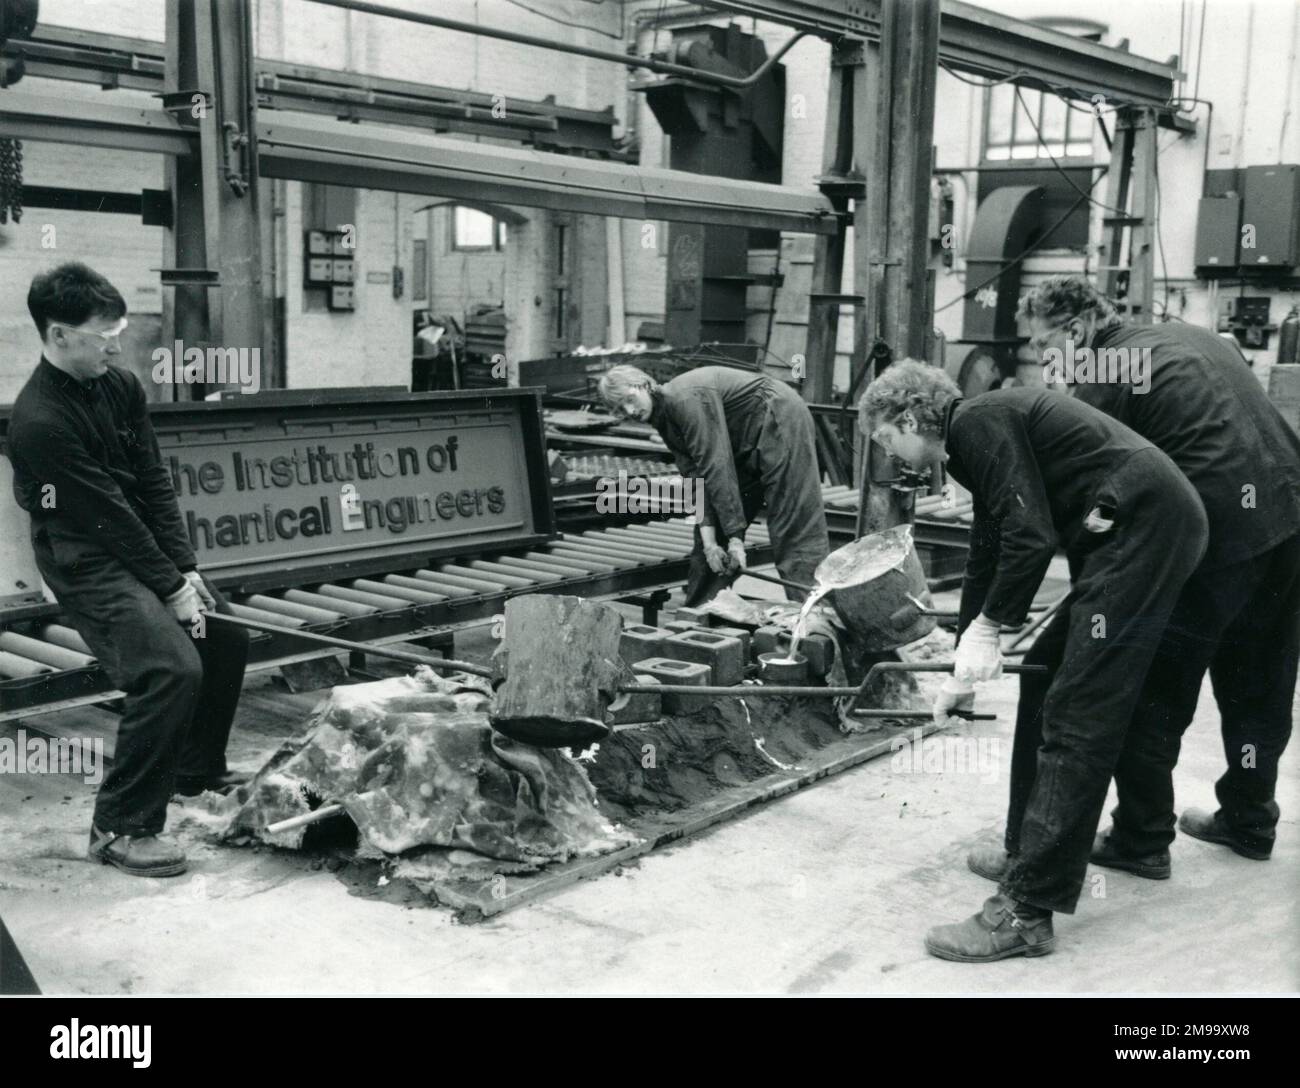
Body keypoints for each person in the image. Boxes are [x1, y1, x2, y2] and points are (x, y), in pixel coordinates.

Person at [858, 360, 1207, 961]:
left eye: (888, 439)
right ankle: (1039, 850)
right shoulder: (975, 440)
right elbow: (988, 550)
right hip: (1139, 528)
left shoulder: (976, 421)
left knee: (1078, 712)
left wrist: (992, 627)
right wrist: (964, 661)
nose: (891, 455)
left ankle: (1025, 912)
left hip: (1145, 531)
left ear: (910, 417)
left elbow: (1030, 535)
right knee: (1045, 677)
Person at [974, 276, 1299, 879]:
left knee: (1140, 683)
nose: (1048, 368)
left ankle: (1141, 838)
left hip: (1216, 540)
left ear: (1075, 331)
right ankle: (1250, 820)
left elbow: (1098, 507)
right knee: (1259, 680)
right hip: (1287, 521)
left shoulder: (1102, 375)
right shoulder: (1189, 335)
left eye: (1045, 347)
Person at [7, 263, 249, 878]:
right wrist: (167, 587)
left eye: (119, 330)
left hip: (130, 537)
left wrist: (186, 571)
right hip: (83, 557)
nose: (117, 344)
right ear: (59, 335)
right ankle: (120, 827)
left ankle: (194, 772)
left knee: (222, 638)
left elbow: (152, 483)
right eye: (102, 334)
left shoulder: (120, 386)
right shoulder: (38, 421)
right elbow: (104, 515)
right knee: (168, 669)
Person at [597, 364, 829, 603]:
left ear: (644, 384)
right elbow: (697, 480)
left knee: (792, 521)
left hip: (779, 416)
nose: (630, 410)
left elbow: (717, 466)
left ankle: (815, 615)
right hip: (741, 439)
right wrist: (710, 545)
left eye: (630, 399)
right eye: (620, 409)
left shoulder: (685, 399)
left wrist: (736, 539)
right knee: (713, 531)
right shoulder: (664, 417)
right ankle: (699, 611)